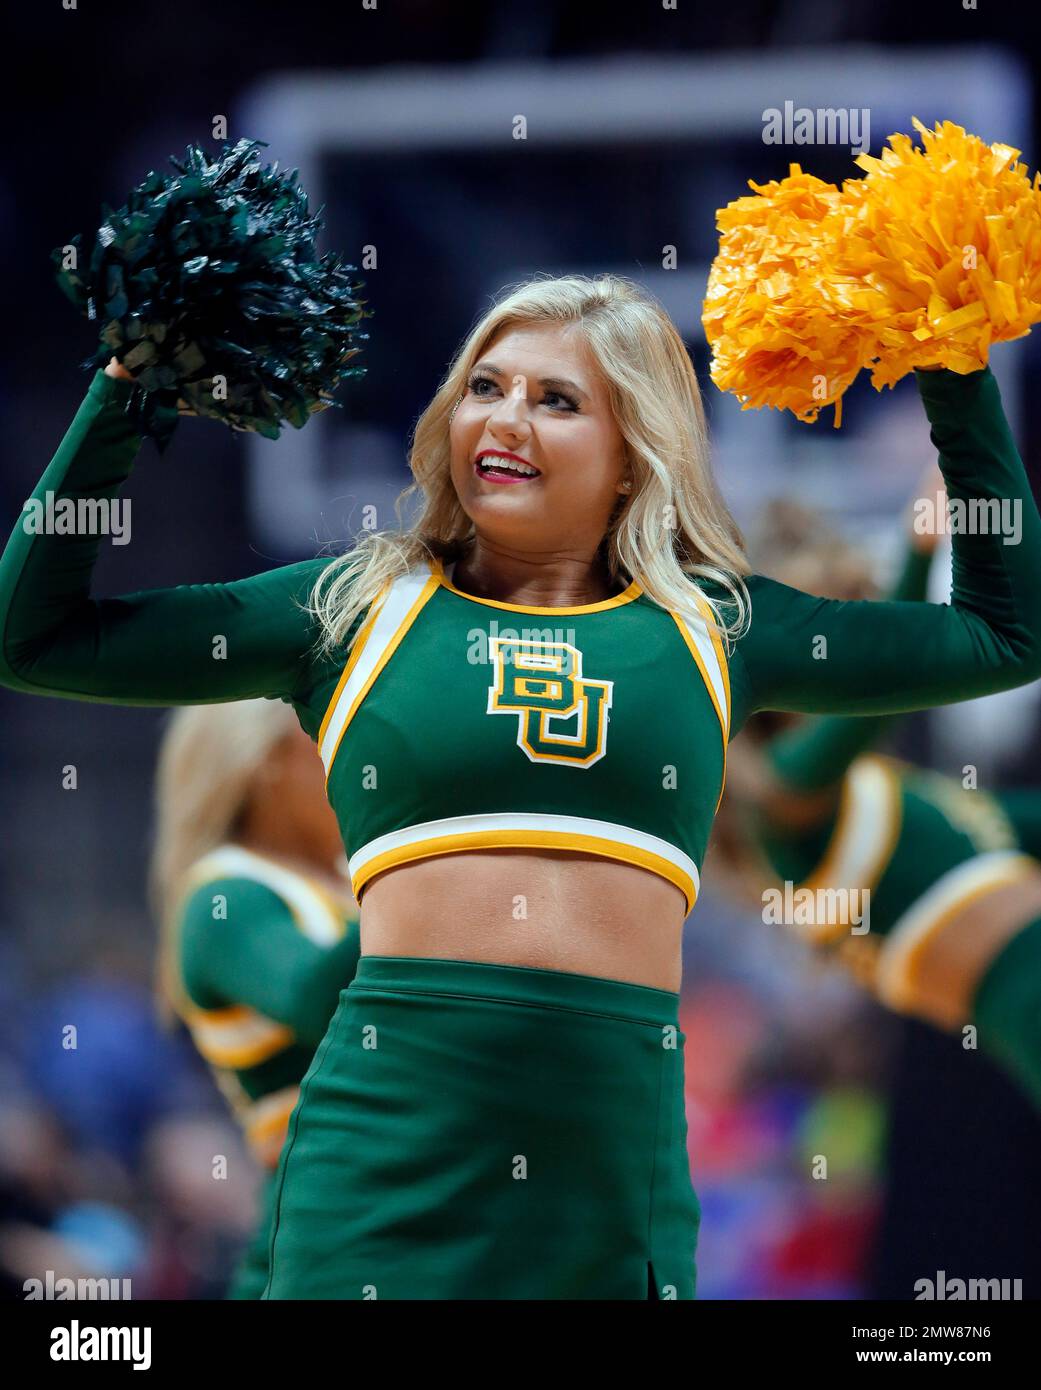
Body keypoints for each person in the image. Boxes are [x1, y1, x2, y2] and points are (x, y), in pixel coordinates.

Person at [2, 272, 1041, 1299]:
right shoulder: (352, 608)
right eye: (486, 386)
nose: (506, 417)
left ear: (636, 452)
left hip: (611, 1197)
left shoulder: (716, 625)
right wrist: (125, 391)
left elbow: (1006, 633)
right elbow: (32, 635)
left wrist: (952, 365)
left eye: (557, 399)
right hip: (384, 1182)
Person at [709, 482, 1041, 1108]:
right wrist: (919, 549)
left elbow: (1007, 827)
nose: (858, 650)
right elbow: (886, 683)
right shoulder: (784, 801)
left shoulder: (881, 790)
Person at [151, 699, 360, 1297]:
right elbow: (322, 997)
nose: (355, 758)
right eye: (329, 737)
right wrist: (423, 857)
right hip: (325, 1232)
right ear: (267, 761)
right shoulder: (224, 896)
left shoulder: (351, 878)